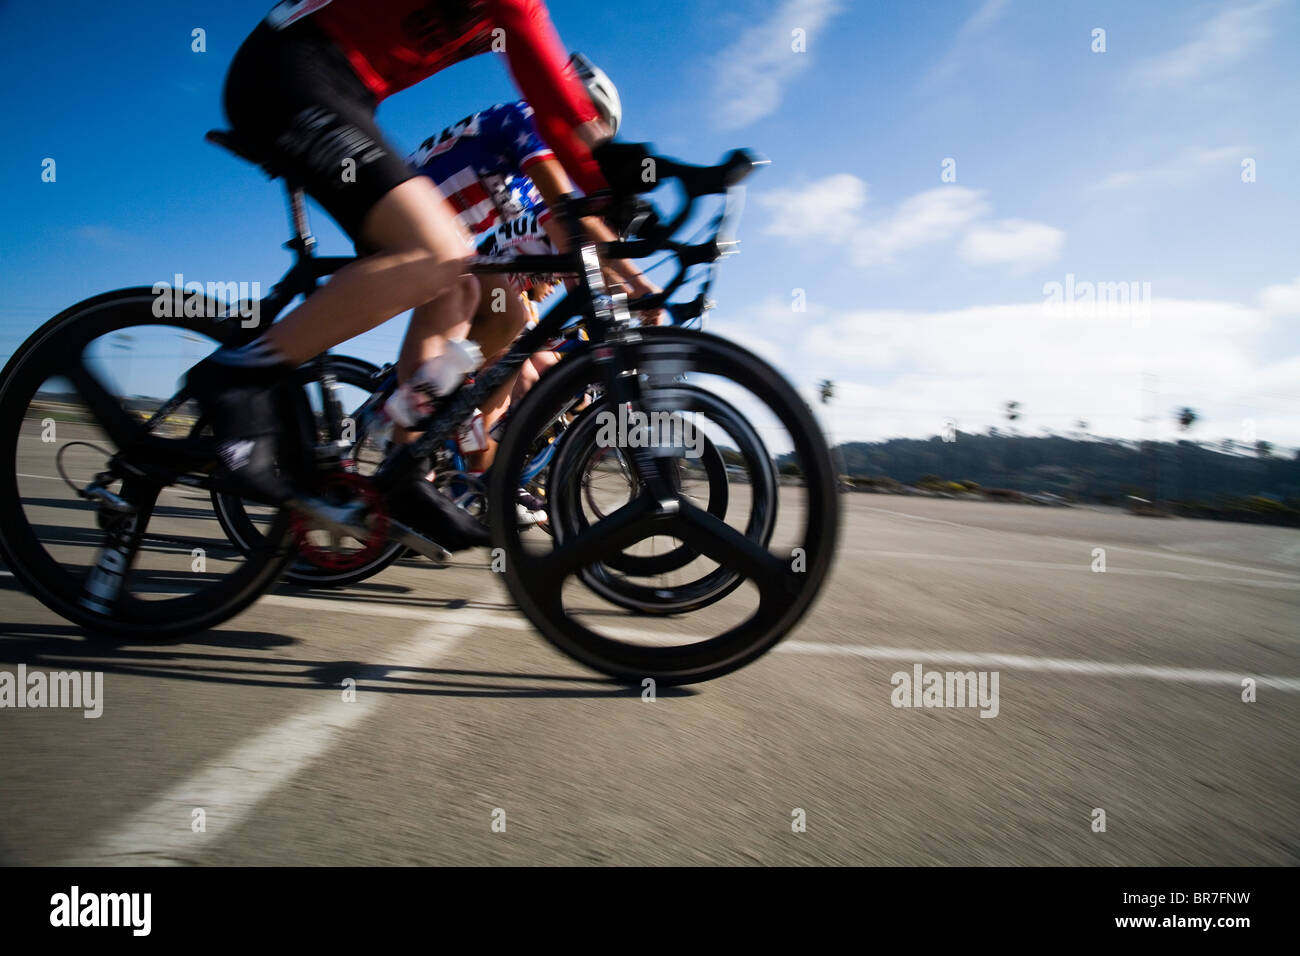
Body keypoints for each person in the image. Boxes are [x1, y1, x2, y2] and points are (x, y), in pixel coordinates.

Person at [185, 0, 627, 551]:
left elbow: (563, 154)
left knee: (460, 285)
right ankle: (237, 377)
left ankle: (404, 464)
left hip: (343, 91)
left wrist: (610, 199)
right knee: (444, 257)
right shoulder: (523, 110)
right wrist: (612, 194)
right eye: (594, 128)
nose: (587, 140)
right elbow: (551, 98)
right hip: (290, 71)